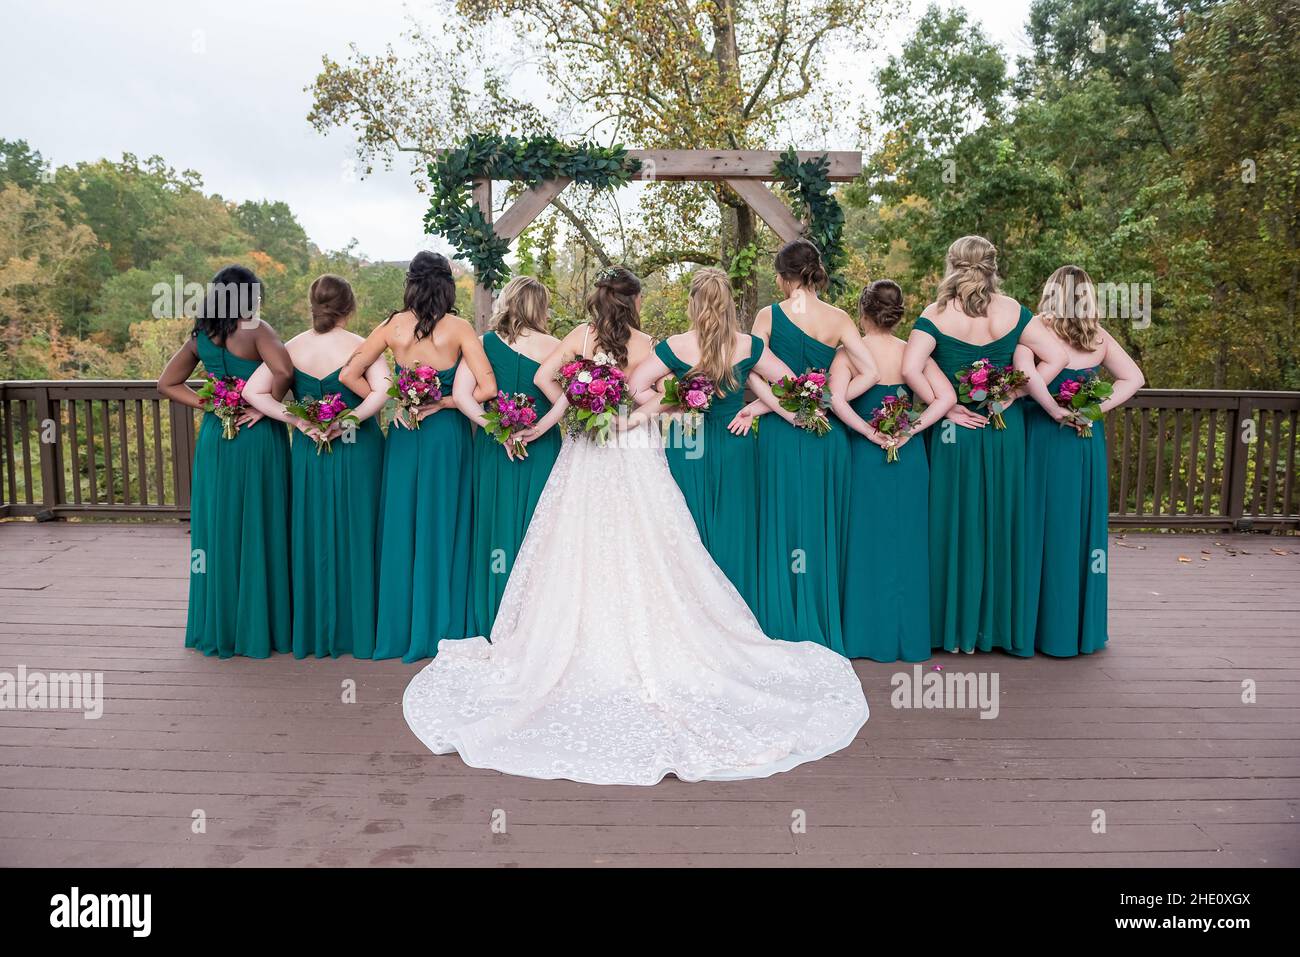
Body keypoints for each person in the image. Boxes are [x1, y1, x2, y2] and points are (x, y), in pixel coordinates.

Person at [400, 265, 869, 786]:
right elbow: (661, 397)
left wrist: (575, 406)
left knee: (579, 542)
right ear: (635, 301)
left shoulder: (580, 336)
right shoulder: (649, 342)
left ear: (598, 299)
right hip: (632, 448)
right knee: (651, 542)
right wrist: (625, 416)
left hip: (585, 447)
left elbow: (542, 379)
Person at [902, 235, 1067, 656]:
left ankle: (949, 630)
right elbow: (1057, 358)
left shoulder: (935, 314)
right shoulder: (1013, 310)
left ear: (952, 265)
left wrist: (949, 406)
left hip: (955, 434)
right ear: (993, 266)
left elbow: (909, 367)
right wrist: (1015, 395)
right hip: (1002, 428)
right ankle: (996, 630)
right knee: (1001, 522)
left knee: (952, 524)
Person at [339, 251, 496, 660]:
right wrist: (444, 402)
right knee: (444, 521)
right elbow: (487, 389)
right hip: (447, 435)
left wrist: (397, 399)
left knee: (404, 522)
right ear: (447, 284)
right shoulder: (460, 328)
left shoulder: (393, 326)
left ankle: (402, 626)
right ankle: (443, 623)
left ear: (410, 282)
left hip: (406, 433)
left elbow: (348, 375)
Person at [243, 274, 388, 658]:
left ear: (313, 305)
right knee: (360, 530)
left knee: (313, 531)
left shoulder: (290, 348)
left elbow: (251, 391)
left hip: (309, 448)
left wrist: (295, 419)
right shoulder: (361, 346)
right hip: (358, 449)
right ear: (349, 306)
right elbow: (383, 391)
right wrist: (349, 420)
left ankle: (314, 631)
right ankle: (361, 630)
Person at [158, 265, 293, 658]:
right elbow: (283, 370)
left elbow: (166, 384)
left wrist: (216, 404)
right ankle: (261, 626)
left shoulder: (203, 335)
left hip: (218, 436)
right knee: (260, 523)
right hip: (257, 437)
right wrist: (265, 407)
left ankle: (222, 626)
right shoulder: (256, 329)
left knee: (221, 527)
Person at [1019, 265, 1144, 656]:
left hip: (1043, 436)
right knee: (1077, 528)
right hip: (1083, 439)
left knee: (1037, 527)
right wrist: (1094, 410)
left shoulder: (1033, 330)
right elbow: (1133, 379)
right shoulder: (1097, 337)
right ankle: (1074, 629)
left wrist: (1056, 408)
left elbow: (1024, 380)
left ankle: (1033, 629)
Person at [831, 279, 955, 661]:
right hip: (908, 454)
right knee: (908, 542)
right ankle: (909, 638)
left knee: (865, 542)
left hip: (865, 453)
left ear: (862, 312)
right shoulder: (911, 352)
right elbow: (946, 397)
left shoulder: (850, 353)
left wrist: (870, 432)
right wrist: (910, 430)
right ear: (897, 314)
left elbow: (836, 401)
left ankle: (866, 637)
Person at [450, 275, 561, 633]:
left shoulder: (482, 344)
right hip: (541, 446)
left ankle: (495, 614)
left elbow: (463, 395)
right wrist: (537, 428)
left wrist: (495, 427)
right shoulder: (555, 347)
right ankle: (536, 622)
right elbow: (568, 399)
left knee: (496, 527)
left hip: (495, 448)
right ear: (539, 307)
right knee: (540, 529)